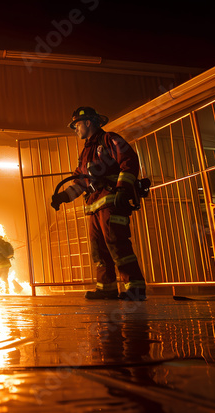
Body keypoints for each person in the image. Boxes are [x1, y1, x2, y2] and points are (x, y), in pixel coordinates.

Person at [51, 107, 146, 301]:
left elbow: (128, 161)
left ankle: (135, 289)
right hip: (94, 205)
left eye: (76, 125)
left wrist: (122, 189)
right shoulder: (86, 151)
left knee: (117, 245)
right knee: (98, 250)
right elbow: (82, 182)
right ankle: (107, 289)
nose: (75, 129)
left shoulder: (109, 139)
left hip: (111, 201)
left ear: (88, 122)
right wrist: (62, 197)